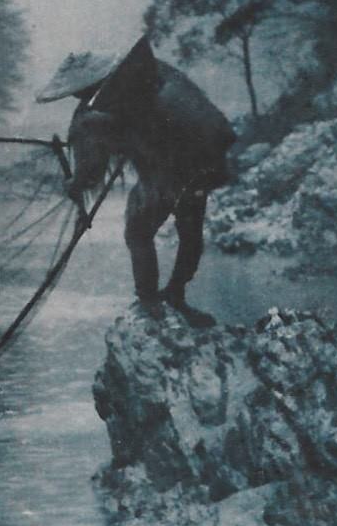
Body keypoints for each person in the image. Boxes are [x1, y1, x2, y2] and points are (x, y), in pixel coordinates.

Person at [37, 38, 236, 326]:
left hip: (167, 172)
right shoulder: (155, 72)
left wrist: (75, 185)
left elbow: (91, 173)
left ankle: (149, 301)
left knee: (138, 233)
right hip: (203, 166)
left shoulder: (97, 111)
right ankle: (176, 293)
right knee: (190, 231)